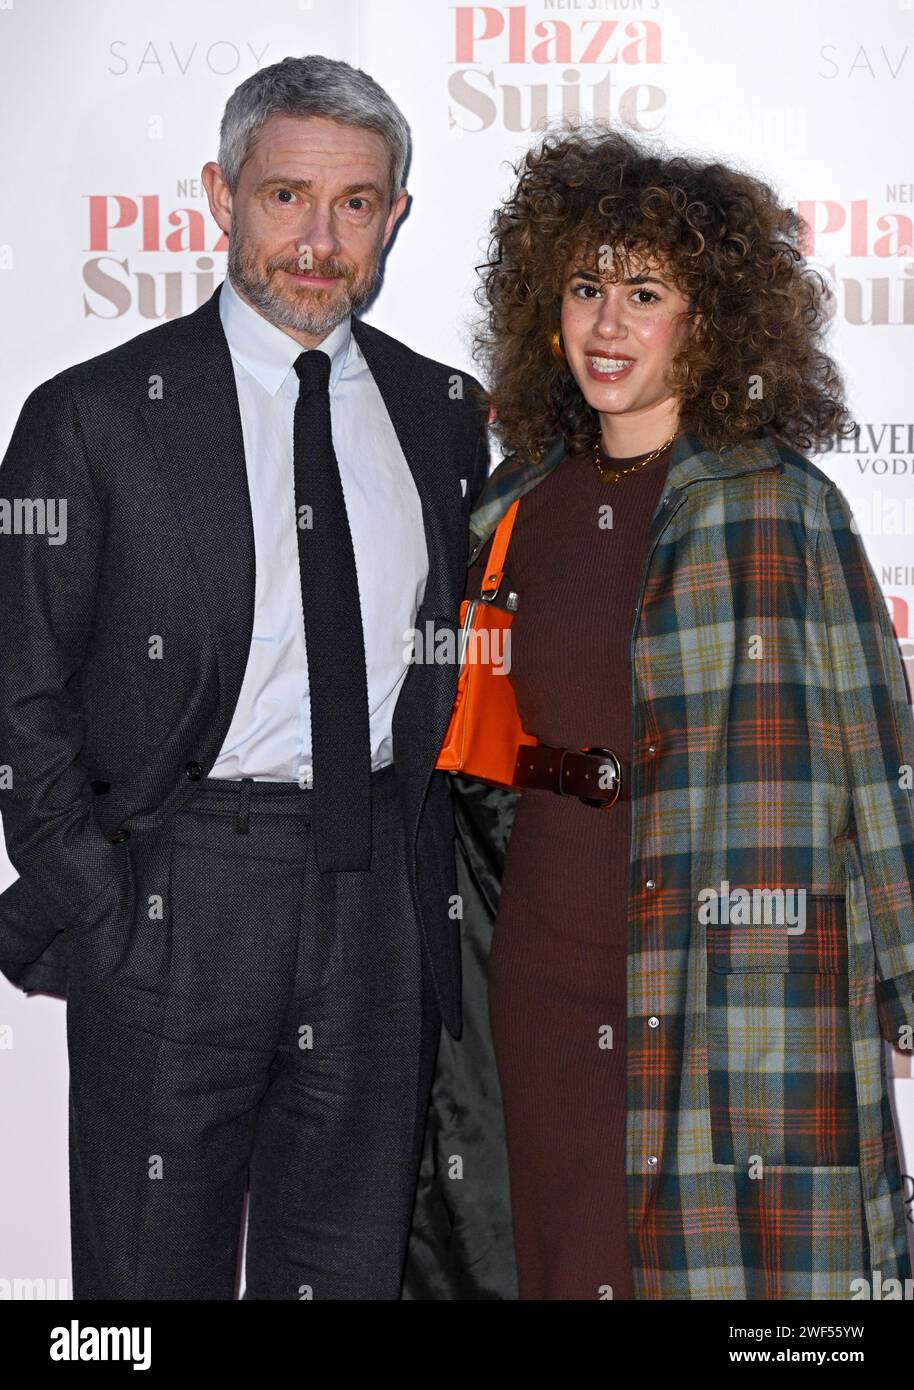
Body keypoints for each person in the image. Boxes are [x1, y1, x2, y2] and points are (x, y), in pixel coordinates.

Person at [0, 54, 489, 1299]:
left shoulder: (442, 412)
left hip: (378, 899)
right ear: (220, 195)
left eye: (356, 204)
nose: (319, 241)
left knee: (345, 1272)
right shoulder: (96, 414)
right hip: (176, 894)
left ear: (395, 216)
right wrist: (99, 907)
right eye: (285, 197)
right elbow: (20, 685)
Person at [404, 124, 914, 1301]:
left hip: (734, 970)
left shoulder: (780, 505)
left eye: (645, 292)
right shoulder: (512, 504)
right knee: (566, 1259)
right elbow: (485, 746)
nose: (606, 323)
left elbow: (874, 752)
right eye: (584, 288)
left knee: (737, 1284)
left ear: (712, 318)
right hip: (542, 963)